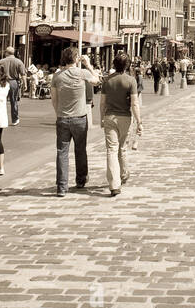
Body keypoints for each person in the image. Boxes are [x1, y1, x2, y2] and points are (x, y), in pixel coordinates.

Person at [50, 47, 100, 196]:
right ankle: (81, 179)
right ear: (76, 58)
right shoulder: (81, 73)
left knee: (62, 152)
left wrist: (58, 113)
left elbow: (54, 99)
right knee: (80, 149)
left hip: (63, 118)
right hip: (80, 118)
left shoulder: (57, 76)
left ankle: (62, 186)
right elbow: (97, 81)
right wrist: (88, 65)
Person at [100, 53, 143, 196]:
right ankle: (123, 174)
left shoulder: (107, 80)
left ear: (114, 64)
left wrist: (101, 118)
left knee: (111, 150)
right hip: (125, 117)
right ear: (128, 65)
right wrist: (139, 121)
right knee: (122, 148)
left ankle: (114, 184)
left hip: (109, 117)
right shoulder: (131, 81)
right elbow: (134, 103)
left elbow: (102, 103)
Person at [0, 47, 25, 126]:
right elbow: (23, 74)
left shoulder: (1, 61)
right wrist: (25, 84)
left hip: (3, 81)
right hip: (13, 82)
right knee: (14, 101)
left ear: (6, 52)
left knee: (1, 101)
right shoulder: (18, 61)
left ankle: (0, 118)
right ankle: (15, 119)